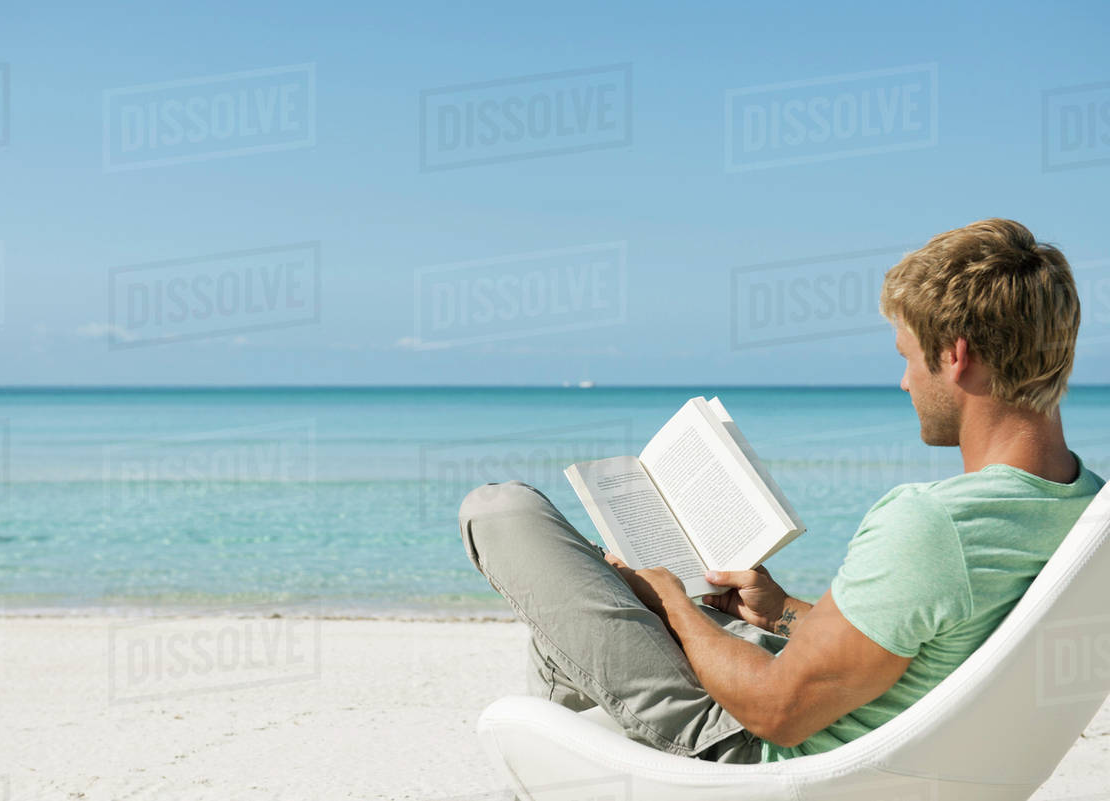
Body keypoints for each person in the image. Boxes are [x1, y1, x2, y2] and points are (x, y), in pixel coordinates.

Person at [457, 218, 1105, 763]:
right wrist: (777, 609)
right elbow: (908, 644)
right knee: (572, 617)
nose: (905, 382)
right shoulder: (1087, 508)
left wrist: (671, 602)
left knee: (502, 511)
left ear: (956, 356)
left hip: (748, 749)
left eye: (907, 355)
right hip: (864, 735)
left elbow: (777, 709)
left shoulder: (933, 526)